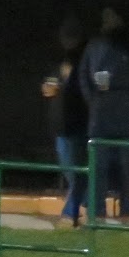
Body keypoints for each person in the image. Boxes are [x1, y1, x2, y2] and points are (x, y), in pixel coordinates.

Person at [79, 7, 129, 220]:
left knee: (126, 168)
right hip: (101, 118)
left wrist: (115, 83)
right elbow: (84, 75)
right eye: (105, 17)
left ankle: (126, 212)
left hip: (127, 119)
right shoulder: (94, 45)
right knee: (98, 167)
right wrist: (92, 101)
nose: (107, 21)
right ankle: (98, 211)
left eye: (112, 16)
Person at [42, 15, 89, 228]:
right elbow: (48, 84)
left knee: (77, 171)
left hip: (77, 123)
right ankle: (87, 207)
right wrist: (49, 87)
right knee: (70, 171)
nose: (67, 41)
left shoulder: (84, 60)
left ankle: (70, 213)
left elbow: (85, 91)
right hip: (60, 124)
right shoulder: (60, 60)